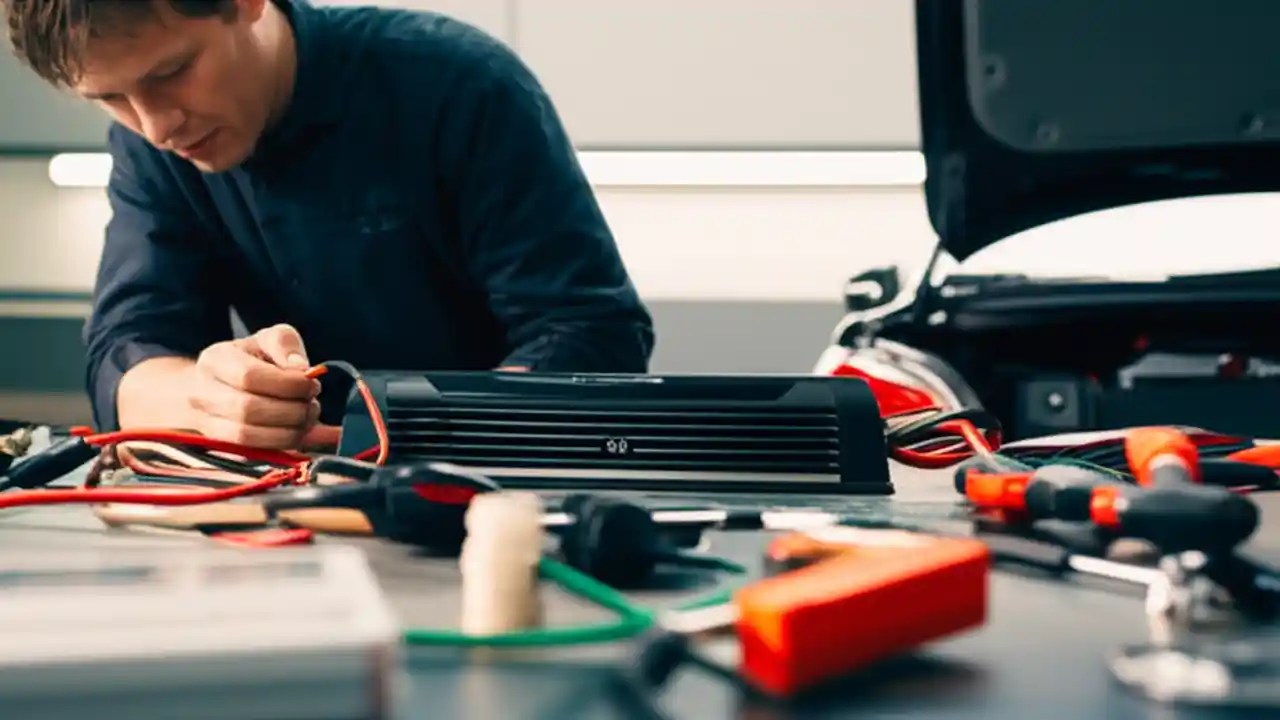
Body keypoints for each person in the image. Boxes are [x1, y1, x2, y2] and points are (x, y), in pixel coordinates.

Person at [2, 0, 654, 449]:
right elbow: (128, 349)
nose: (155, 125)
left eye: (171, 72)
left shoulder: (462, 86)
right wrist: (207, 397)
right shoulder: (150, 147)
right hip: (288, 508)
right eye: (110, 98)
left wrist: (405, 438)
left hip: (494, 499)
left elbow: (589, 335)